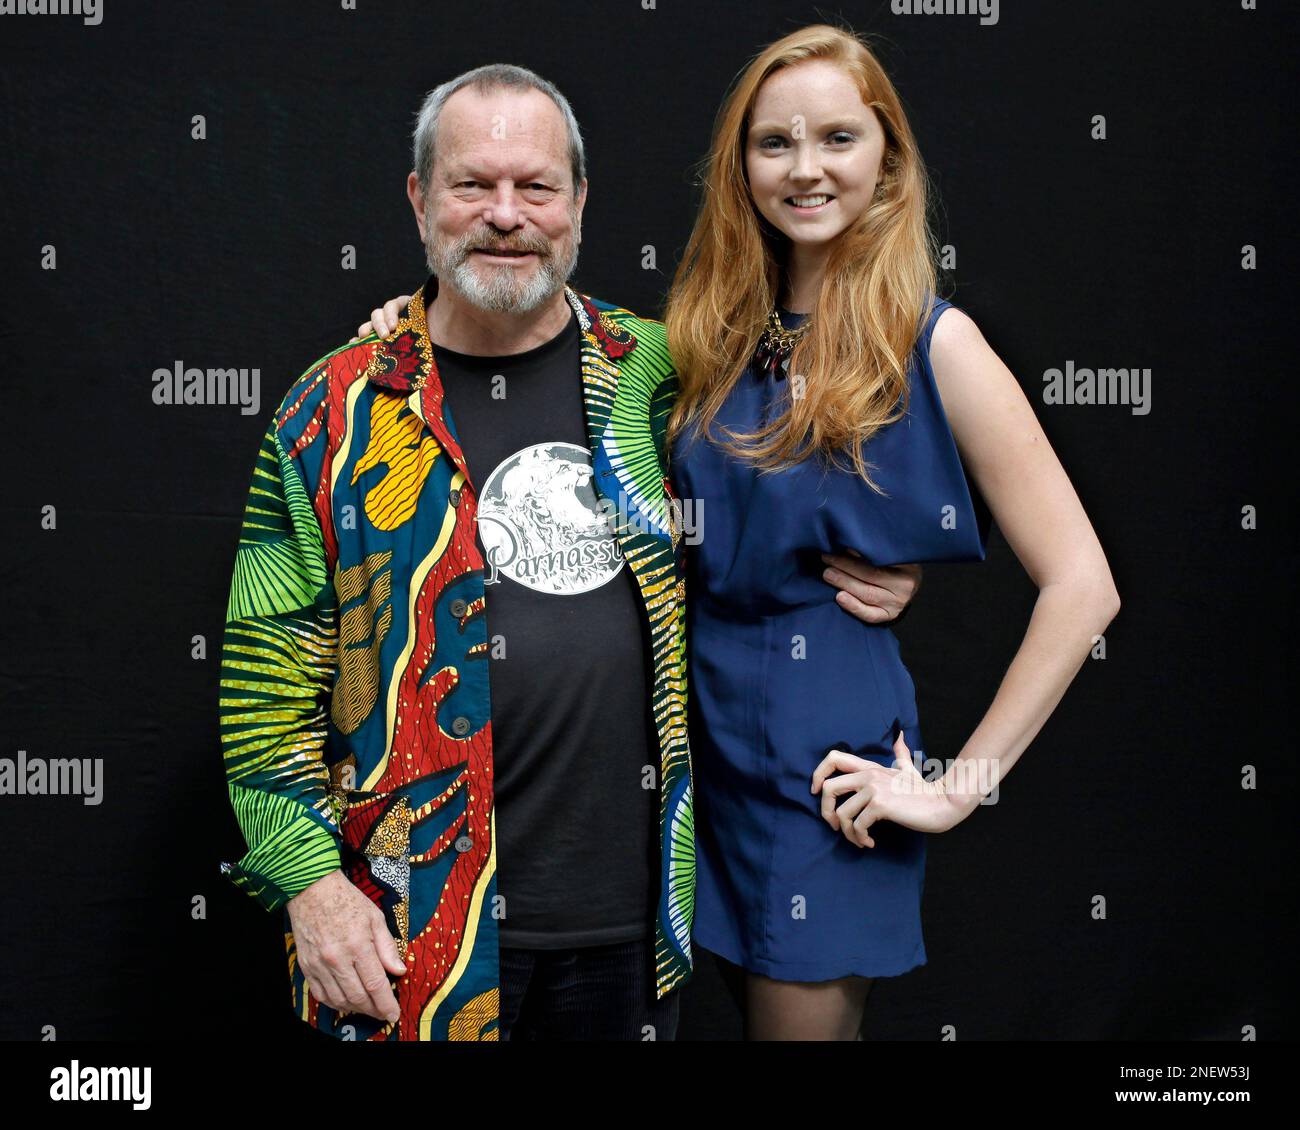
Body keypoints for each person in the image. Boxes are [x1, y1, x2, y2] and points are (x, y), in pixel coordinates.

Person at [366, 25, 1120, 1041]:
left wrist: (956, 786)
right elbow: (534, 338)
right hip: (682, 756)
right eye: (775, 142)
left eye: (839, 138)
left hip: (814, 767)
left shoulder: (934, 342)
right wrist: (406, 322)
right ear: (741, 162)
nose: (805, 168)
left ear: (887, 156)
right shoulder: (706, 337)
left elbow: (1082, 583)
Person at [221, 61, 919, 1043]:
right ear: (422, 200)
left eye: (535, 186)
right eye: (473, 184)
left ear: (578, 204)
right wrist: (311, 891)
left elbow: (839, 410)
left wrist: (892, 550)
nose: (505, 214)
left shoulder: (670, 373)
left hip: (638, 938)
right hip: (410, 938)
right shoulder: (329, 416)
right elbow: (261, 706)